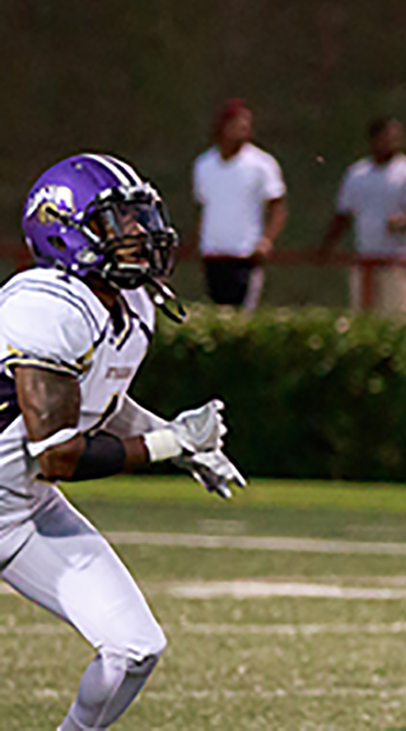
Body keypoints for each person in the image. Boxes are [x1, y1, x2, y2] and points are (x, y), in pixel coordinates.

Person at [5, 154, 245, 730]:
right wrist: (171, 446)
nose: (142, 233)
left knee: (134, 647)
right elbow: (61, 453)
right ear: (65, 230)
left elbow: (101, 407)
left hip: (20, 508)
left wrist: (173, 437)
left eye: (142, 217)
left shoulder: (132, 306)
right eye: (121, 221)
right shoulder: (46, 306)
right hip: (32, 488)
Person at [318, 117, 406, 317]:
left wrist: (403, 220)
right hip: (367, 261)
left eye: (396, 137)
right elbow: (344, 214)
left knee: (397, 321)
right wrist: (325, 247)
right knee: (364, 321)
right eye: (386, 137)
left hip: (402, 262)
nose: (392, 141)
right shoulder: (357, 174)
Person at [190, 98, 287, 309]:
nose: (243, 129)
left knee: (242, 315)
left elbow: (277, 207)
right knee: (217, 313)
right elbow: (202, 207)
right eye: (236, 124)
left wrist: (266, 240)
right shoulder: (204, 165)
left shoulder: (262, 164)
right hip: (213, 253)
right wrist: (198, 241)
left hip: (245, 254)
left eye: (246, 124)